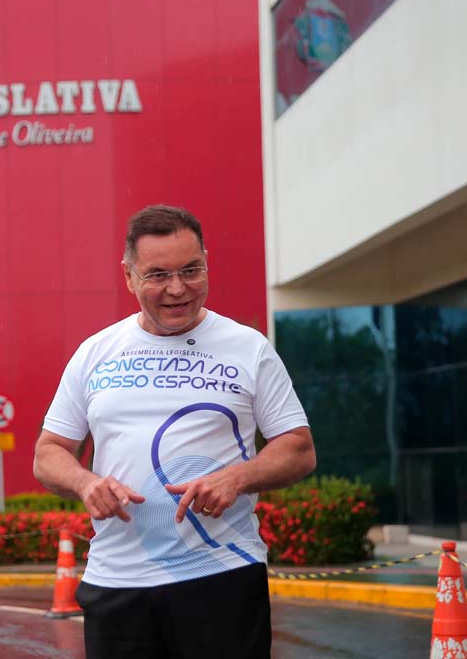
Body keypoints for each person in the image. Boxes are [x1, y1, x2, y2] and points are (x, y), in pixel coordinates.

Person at [33, 204, 316, 659]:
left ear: (207, 262)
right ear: (128, 276)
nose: (178, 289)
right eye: (158, 275)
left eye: (191, 270)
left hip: (220, 577)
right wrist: (86, 483)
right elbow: (49, 453)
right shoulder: (95, 353)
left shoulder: (248, 348)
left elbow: (299, 449)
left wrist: (236, 478)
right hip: (117, 583)